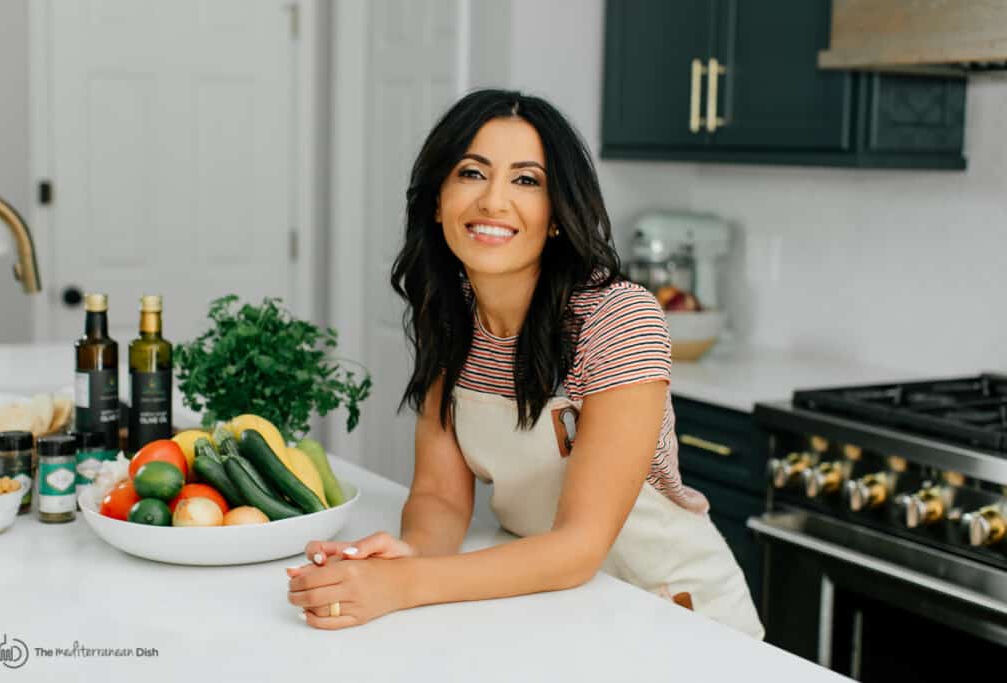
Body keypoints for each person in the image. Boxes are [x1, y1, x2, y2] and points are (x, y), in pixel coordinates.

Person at [287, 89, 764, 638]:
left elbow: (577, 548)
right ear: (438, 199)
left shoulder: (617, 319)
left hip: (673, 615)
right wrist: (408, 554)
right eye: (471, 173)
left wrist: (407, 586)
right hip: (553, 608)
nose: (493, 201)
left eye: (526, 180)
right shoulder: (453, 316)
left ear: (558, 213)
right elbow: (440, 494)